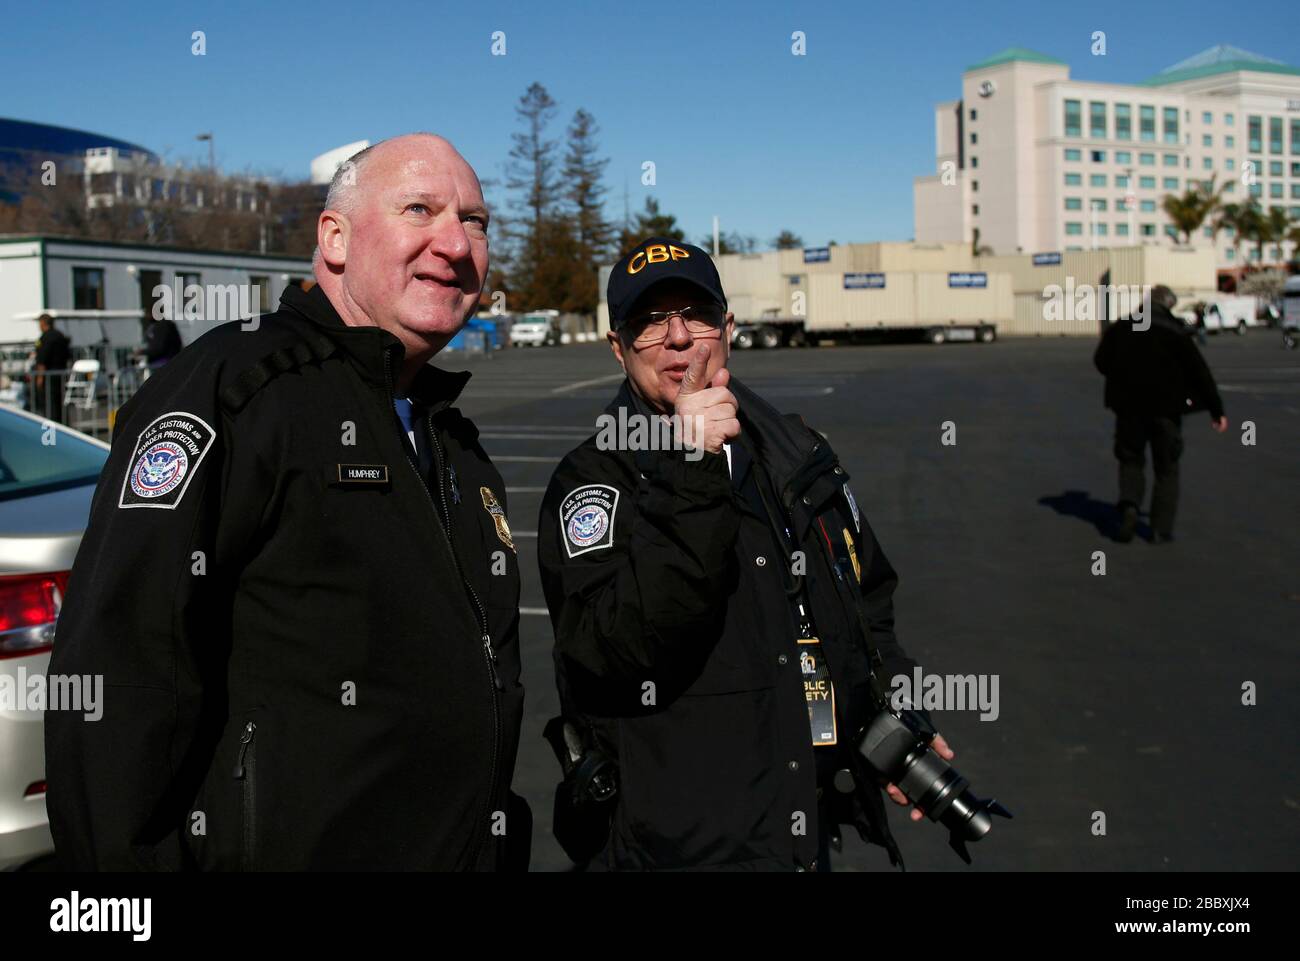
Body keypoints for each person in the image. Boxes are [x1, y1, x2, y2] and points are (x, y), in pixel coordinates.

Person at [45, 133, 527, 871]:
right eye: (420, 209)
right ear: (334, 238)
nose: (455, 243)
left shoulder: (449, 439)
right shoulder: (234, 393)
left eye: (476, 220)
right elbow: (121, 668)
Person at [537, 238, 952, 871]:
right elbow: (613, 650)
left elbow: (865, 599)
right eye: (650, 321)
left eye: (696, 313)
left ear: (728, 329)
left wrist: (893, 714)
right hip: (678, 853)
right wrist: (691, 467)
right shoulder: (592, 482)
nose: (678, 338)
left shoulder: (794, 451)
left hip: (799, 836)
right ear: (618, 348)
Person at [1094, 284, 1228, 543]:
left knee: (1131, 459)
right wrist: (1216, 410)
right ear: (1168, 305)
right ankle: (1159, 528)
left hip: (1129, 408)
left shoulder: (1122, 327)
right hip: (1166, 410)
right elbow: (1200, 371)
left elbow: (1101, 361)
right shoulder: (1174, 331)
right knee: (1167, 466)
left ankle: (1130, 505)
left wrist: (1122, 377)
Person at [31, 313, 72, 423]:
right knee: (59, 403)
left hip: (48, 376)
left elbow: (42, 359)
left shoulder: (45, 337)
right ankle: (63, 425)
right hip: (60, 374)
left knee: (49, 403)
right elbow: (68, 355)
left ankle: (51, 426)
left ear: (43, 323)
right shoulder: (60, 335)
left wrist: (40, 378)